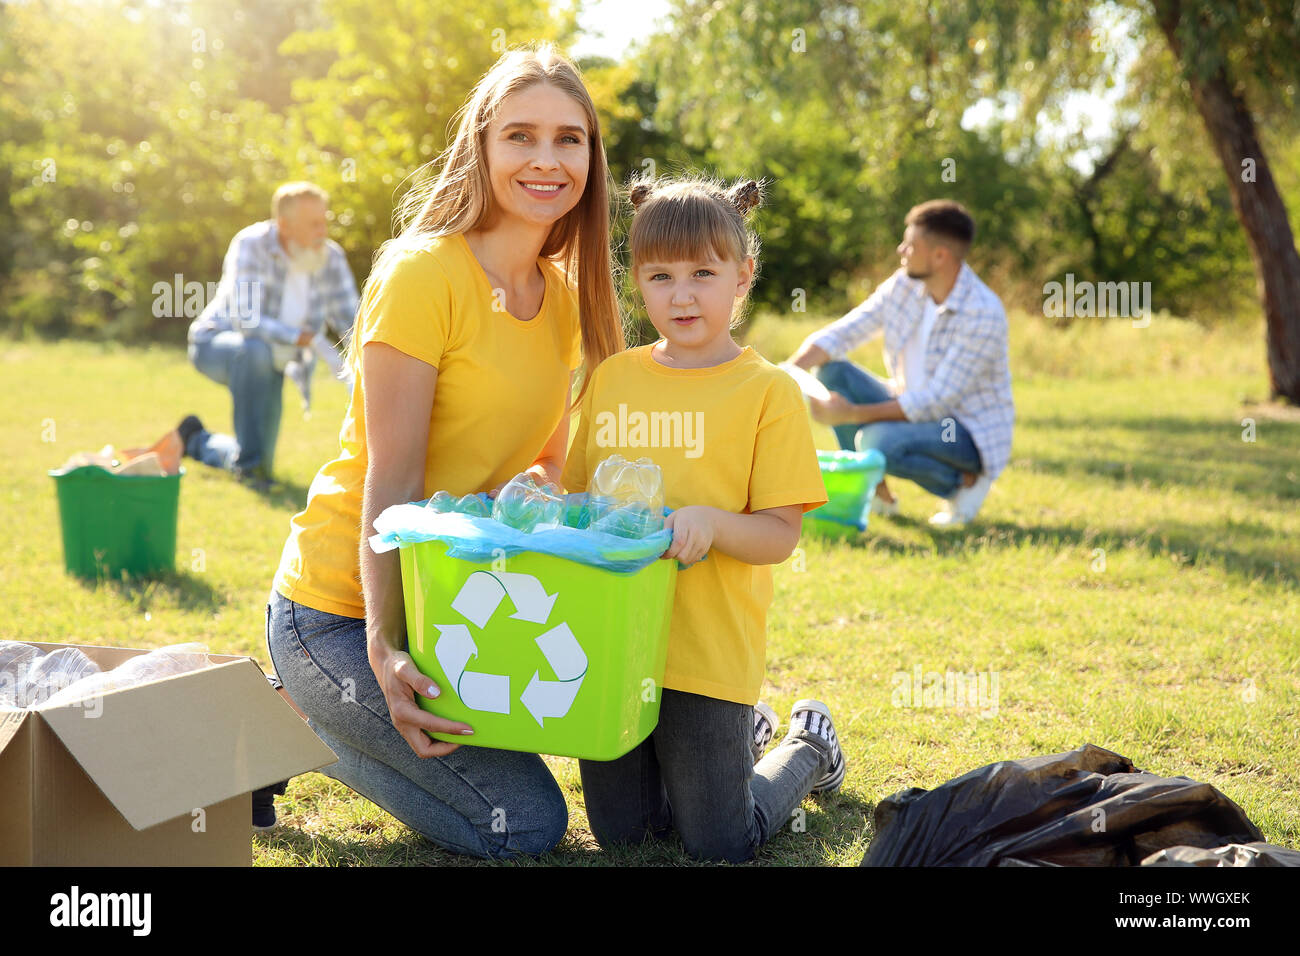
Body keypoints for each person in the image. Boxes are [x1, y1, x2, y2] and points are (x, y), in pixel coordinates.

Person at [264, 44, 624, 857]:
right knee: (526, 825)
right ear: (484, 147)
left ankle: (303, 714)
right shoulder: (423, 274)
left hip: (454, 604)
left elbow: (544, 472)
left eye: (570, 140)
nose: (546, 159)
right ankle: (284, 715)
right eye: (521, 136)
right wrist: (385, 651)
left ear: (590, 160)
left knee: (533, 793)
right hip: (340, 609)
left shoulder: (564, 298)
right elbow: (393, 480)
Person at [562, 175, 844, 864]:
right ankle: (730, 749)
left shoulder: (768, 392)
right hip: (616, 649)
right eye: (660, 276)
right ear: (637, 280)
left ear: (742, 275)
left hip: (706, 654)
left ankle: (807, 742)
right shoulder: (613, 378)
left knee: (719, 842)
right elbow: (576, 504)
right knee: (625, 836)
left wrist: (712, 525)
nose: (681, 295)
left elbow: (780, 535)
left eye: (703, 274)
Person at [788, 200, 1014, 526]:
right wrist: (789, 371)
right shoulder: (904, 285)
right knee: (832, 371)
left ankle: (962, 482)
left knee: (878, 441)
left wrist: (852, 414)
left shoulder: (982, 312)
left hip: (964, 431)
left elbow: (936, 402)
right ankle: (876, 492)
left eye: (911, 244)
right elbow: (844, 333)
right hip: (910, 404)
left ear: (939, 256)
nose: (901, 249)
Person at [181, 182, 359, 486]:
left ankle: (197, 440)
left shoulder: (330, 257)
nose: (323, 230)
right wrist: (295, 336)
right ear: (285, 226)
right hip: (217, 343)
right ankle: (249, 470)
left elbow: (353, 323)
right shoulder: (251, 244)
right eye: (313, 223)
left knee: (260, 458)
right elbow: (245, 318)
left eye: (324, 220)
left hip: (274, 358)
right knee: (256, 352)